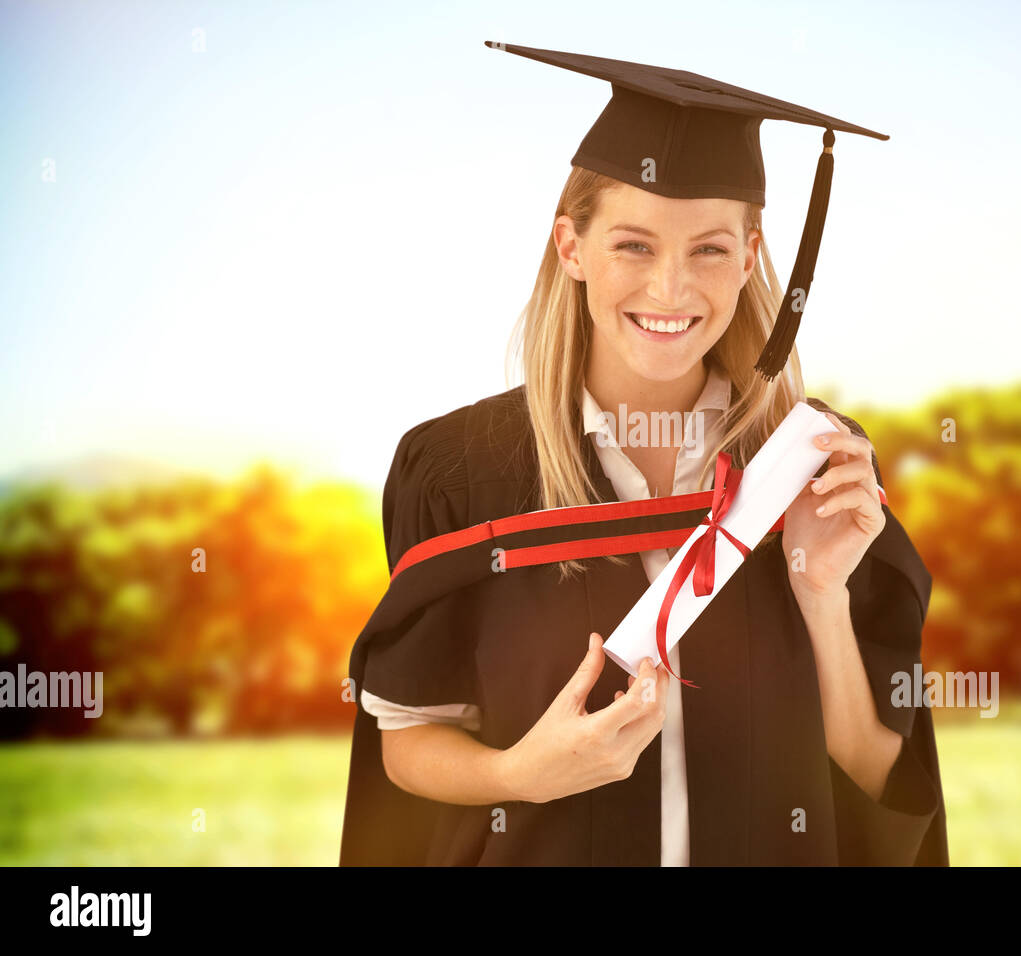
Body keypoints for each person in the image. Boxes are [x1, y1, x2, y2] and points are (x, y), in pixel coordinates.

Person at [339, 42, 948, 866]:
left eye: (708, 249)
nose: (671, 290)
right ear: (571, 248)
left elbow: (880, 770)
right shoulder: (456, 470)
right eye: (633, 245)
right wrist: (525, 772)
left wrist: (820, 592)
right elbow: (409, 742)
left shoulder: (811, 463)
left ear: (752, 255)